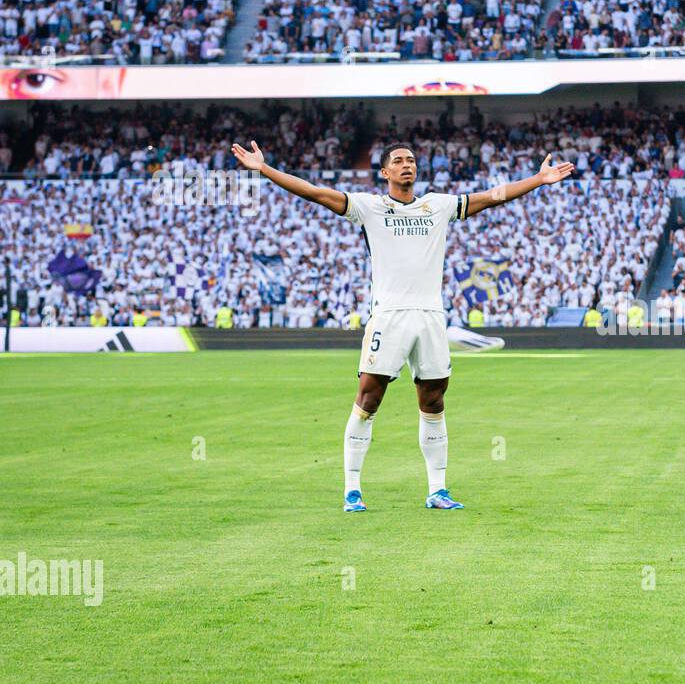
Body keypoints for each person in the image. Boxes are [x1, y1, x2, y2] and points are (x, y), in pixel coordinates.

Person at [229, 138, 574, 513]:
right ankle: (352, 489)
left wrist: (538, 180)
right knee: (368, 399)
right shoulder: (369, 207)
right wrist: (263, 169)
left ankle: (438, 490)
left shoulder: (437, 205)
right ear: (385, 172)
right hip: (389, 316)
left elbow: (492, 196)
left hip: (429, 316)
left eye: (411, 159)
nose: (407, 164)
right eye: (398, 160)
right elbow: (314, 193)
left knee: (433, 401)